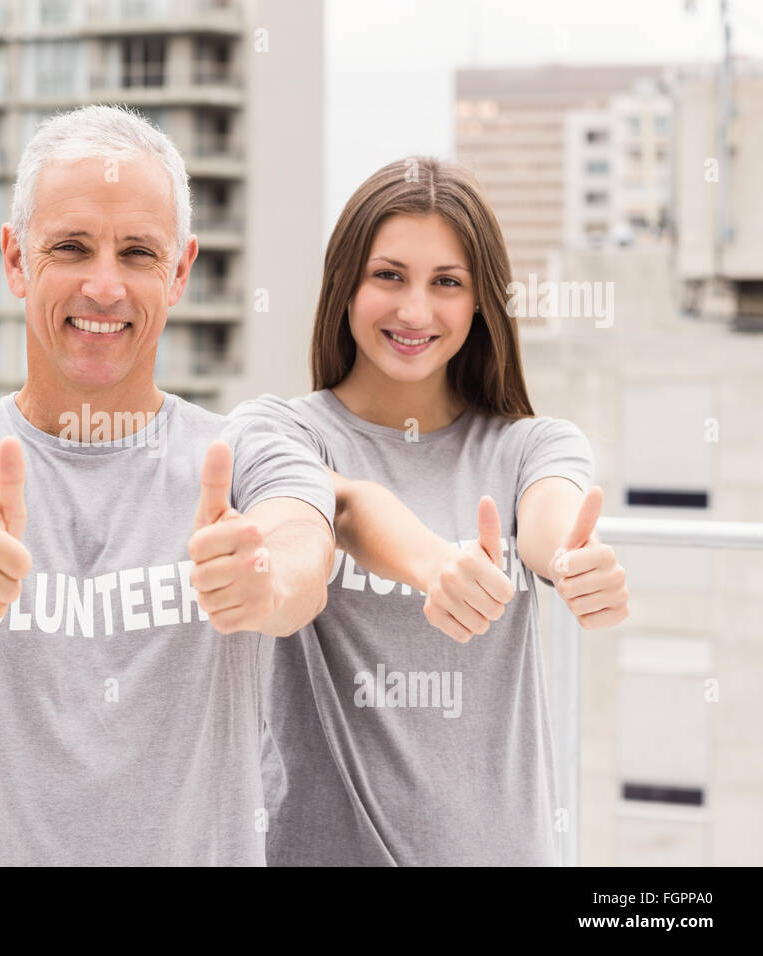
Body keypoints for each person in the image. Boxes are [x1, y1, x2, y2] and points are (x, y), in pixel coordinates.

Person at [0, 105, 337, 866]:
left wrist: (265, 582)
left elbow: (305, 544)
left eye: (138, 253)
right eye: (71, 248)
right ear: (15, 260)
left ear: (179, 271)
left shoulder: (246, 455)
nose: (103, 286)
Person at [233, 157, 629, 865]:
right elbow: (344, 506)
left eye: (447, 283)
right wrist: (436, 565)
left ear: (480, 303)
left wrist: (570, 561)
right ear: (345, 285)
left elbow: (548, 522)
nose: (415, 311)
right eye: (389, 276)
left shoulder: (530, 446)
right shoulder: (279, 433)